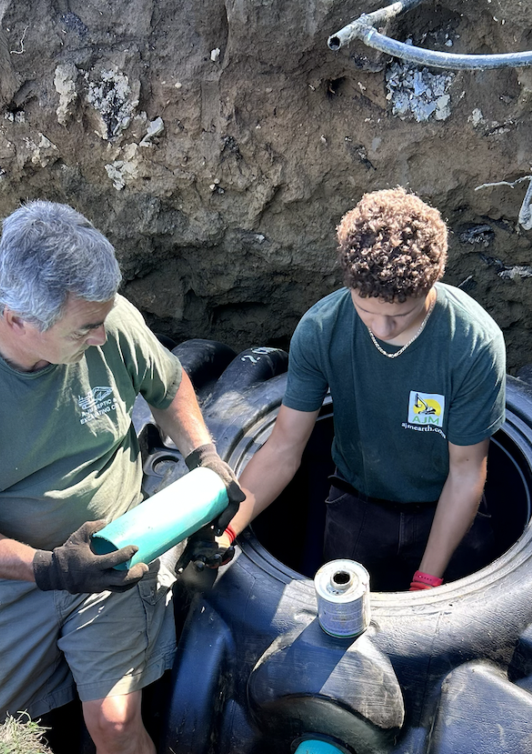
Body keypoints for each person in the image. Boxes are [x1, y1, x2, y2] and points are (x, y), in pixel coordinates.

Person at [0, 201, 244, 754]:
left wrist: (205, 456)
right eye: (84, 329)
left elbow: (168, 386)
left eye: (103, 321)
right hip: (8, 571)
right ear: (17, 317)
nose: (102, 337)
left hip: (115, 551)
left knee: (113, 724)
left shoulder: (107, 319)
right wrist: (48, 568)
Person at [201, 188, 505, 592]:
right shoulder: (321, 329)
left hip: (446, 507)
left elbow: (467, 473)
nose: (381, 329)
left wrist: (428, 579)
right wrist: (227, 531)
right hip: (356, 507)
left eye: (401, 315)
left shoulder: (472, 342)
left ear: (433, 282)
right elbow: (284, 448)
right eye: (366, 311)